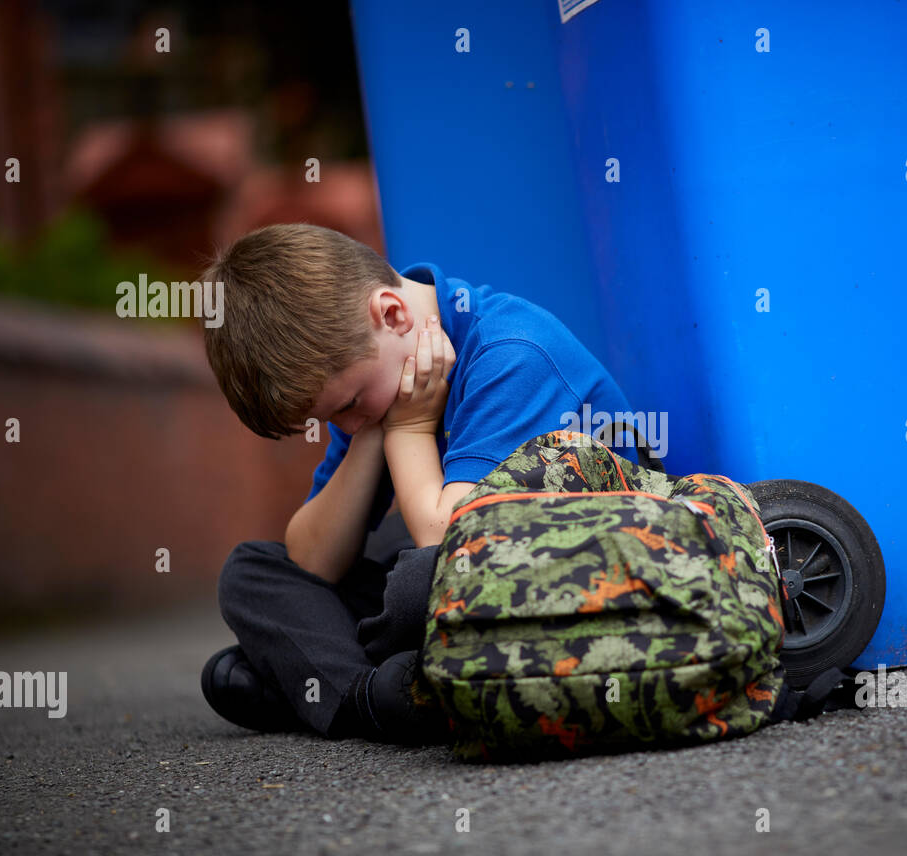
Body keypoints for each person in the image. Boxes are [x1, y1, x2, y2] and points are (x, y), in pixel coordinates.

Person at [197, 223, 663, 744]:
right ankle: (376, 695)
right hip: (459, 579)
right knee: (251, 572)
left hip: (568, 580)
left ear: (393, 314)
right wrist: (374, 432)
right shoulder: (372, 372)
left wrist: (408, 426)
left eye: (349, 406)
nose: (347, 424)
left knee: (417, 584)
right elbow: (311, 560)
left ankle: (320, 680)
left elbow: (454, 545)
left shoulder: (513, 352)